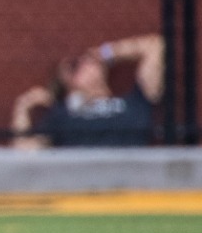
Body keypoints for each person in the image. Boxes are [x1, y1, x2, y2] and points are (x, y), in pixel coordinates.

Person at [11, 34, 164, 148]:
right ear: (68, 83)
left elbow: (156, 46)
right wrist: (22, 107)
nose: (85, 63)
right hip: (84, 179)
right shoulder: (62, 115)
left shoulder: (134, 102)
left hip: (132, 178)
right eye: (75, 66)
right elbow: (24, 157)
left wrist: (106, 52)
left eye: (86, 59)